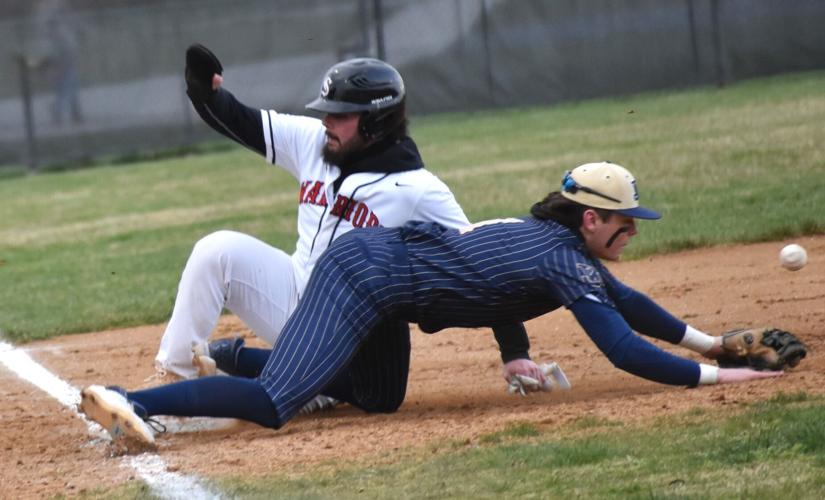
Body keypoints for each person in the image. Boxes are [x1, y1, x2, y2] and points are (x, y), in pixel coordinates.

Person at [80, 161, 781, 446]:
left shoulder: (537, 237)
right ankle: (133, 398)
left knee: (379, 397)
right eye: (625, 220)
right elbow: (622, 349)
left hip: (388, 286)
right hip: (364, 275)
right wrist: (723, 378)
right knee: (273, 407)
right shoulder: (563, 259)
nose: (632, 229)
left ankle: (237, 354)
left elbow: (627, 305)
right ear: (589, 220)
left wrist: (708, 343)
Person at [150, 44, 536, 414]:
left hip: (347, 335)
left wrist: (515, 352)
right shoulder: (312, 142)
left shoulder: (419, 191)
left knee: (340, 381)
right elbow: (241, 120)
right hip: (293, 297)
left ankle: (309, 383)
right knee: (217, 250)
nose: (327, 122)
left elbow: (480, 265)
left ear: (376, 121)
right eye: (326, 112)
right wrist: (205, 96)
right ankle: (174, 381)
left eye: (340, 115)